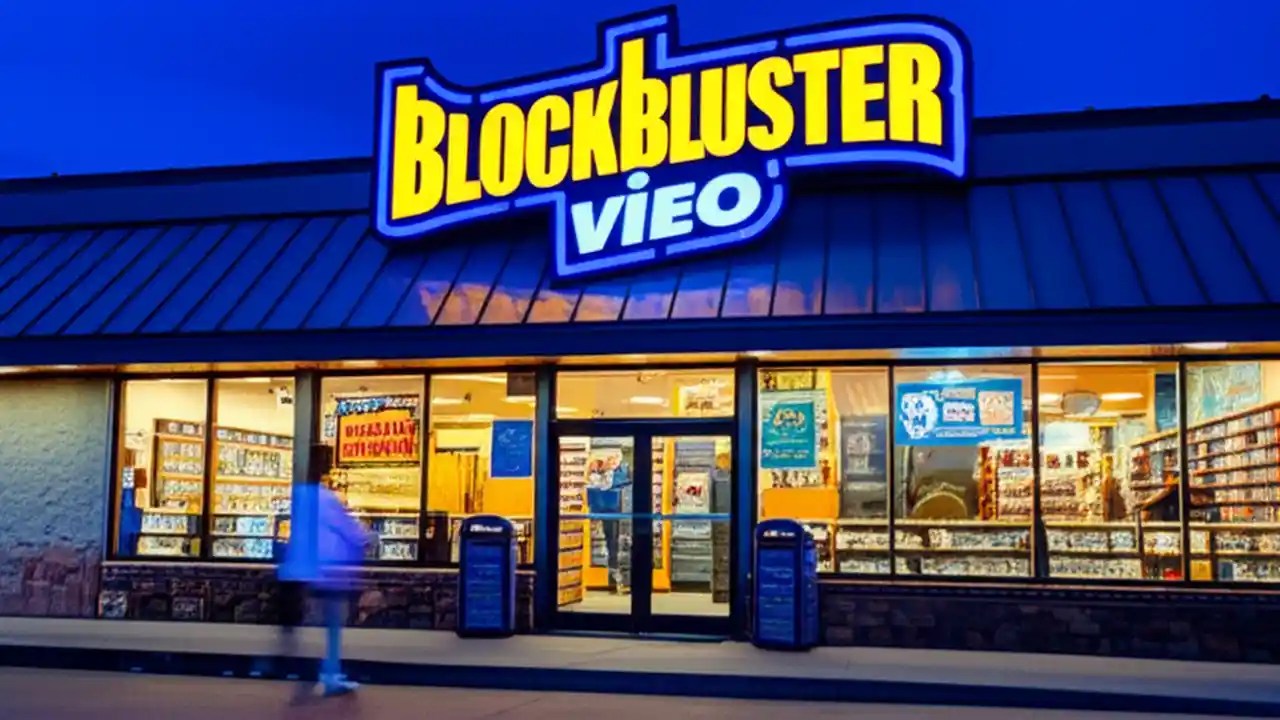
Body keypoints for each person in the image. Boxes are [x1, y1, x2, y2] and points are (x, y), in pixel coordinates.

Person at [277, 444, 371, 697]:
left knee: (311, 620)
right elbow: (347, 528)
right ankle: (328, 672)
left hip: (300, 568)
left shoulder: (300, 494)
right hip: (329, 569)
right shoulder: (324, 498)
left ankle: (316, 669)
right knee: (332, 622)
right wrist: (368, 538)